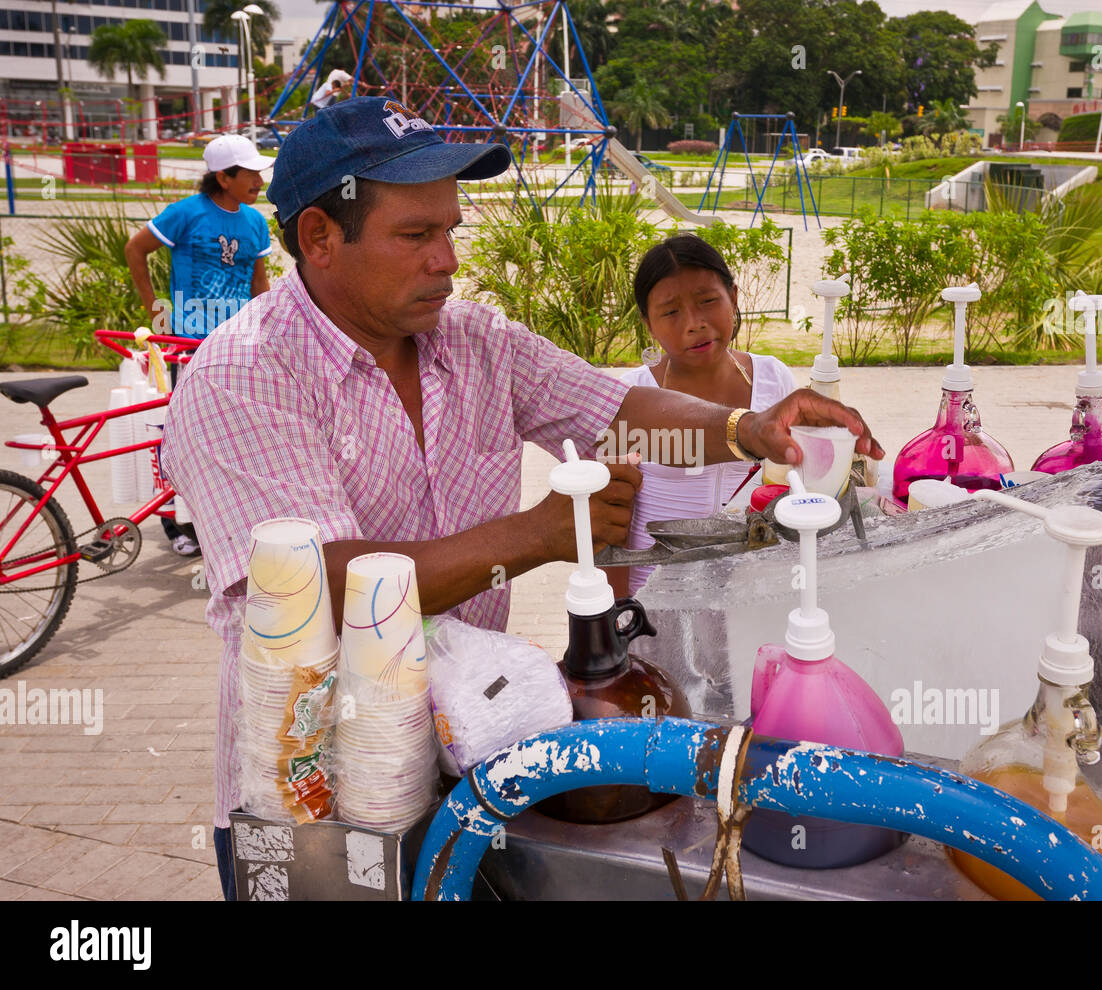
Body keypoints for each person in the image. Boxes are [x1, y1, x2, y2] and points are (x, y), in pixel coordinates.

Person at [158, 96, 884, 901]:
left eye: (450, 230)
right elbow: (320, 585)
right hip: (318, 792)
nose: (448, 260)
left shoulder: (472, 340)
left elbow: (622, 417)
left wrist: (751, 428)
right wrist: (540, 534)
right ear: (321, 237)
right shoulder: (245, 375)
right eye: (415, 236)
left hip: (467, 745)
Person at [609, 235, 798, 597]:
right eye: (670, 311)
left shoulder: (774, 379)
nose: (694, 323)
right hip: (656, 601)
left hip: (755, 593)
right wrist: (619, 619)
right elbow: (609, 526)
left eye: (708, 301)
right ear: (648, 323)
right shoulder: (628, 399)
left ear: (734, 298)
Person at [125, 133, 275, 557]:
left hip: (236, 345)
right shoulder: (186, 214)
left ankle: (224, 519)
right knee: (179, 432)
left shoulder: (254, 221)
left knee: (236, 433)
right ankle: (174, 521)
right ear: (223, 177)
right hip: (189, 344)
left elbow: (259, 282)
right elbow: (135, 249)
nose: (259, 180)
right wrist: (155, 311)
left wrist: (262, 332)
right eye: (250, 173)